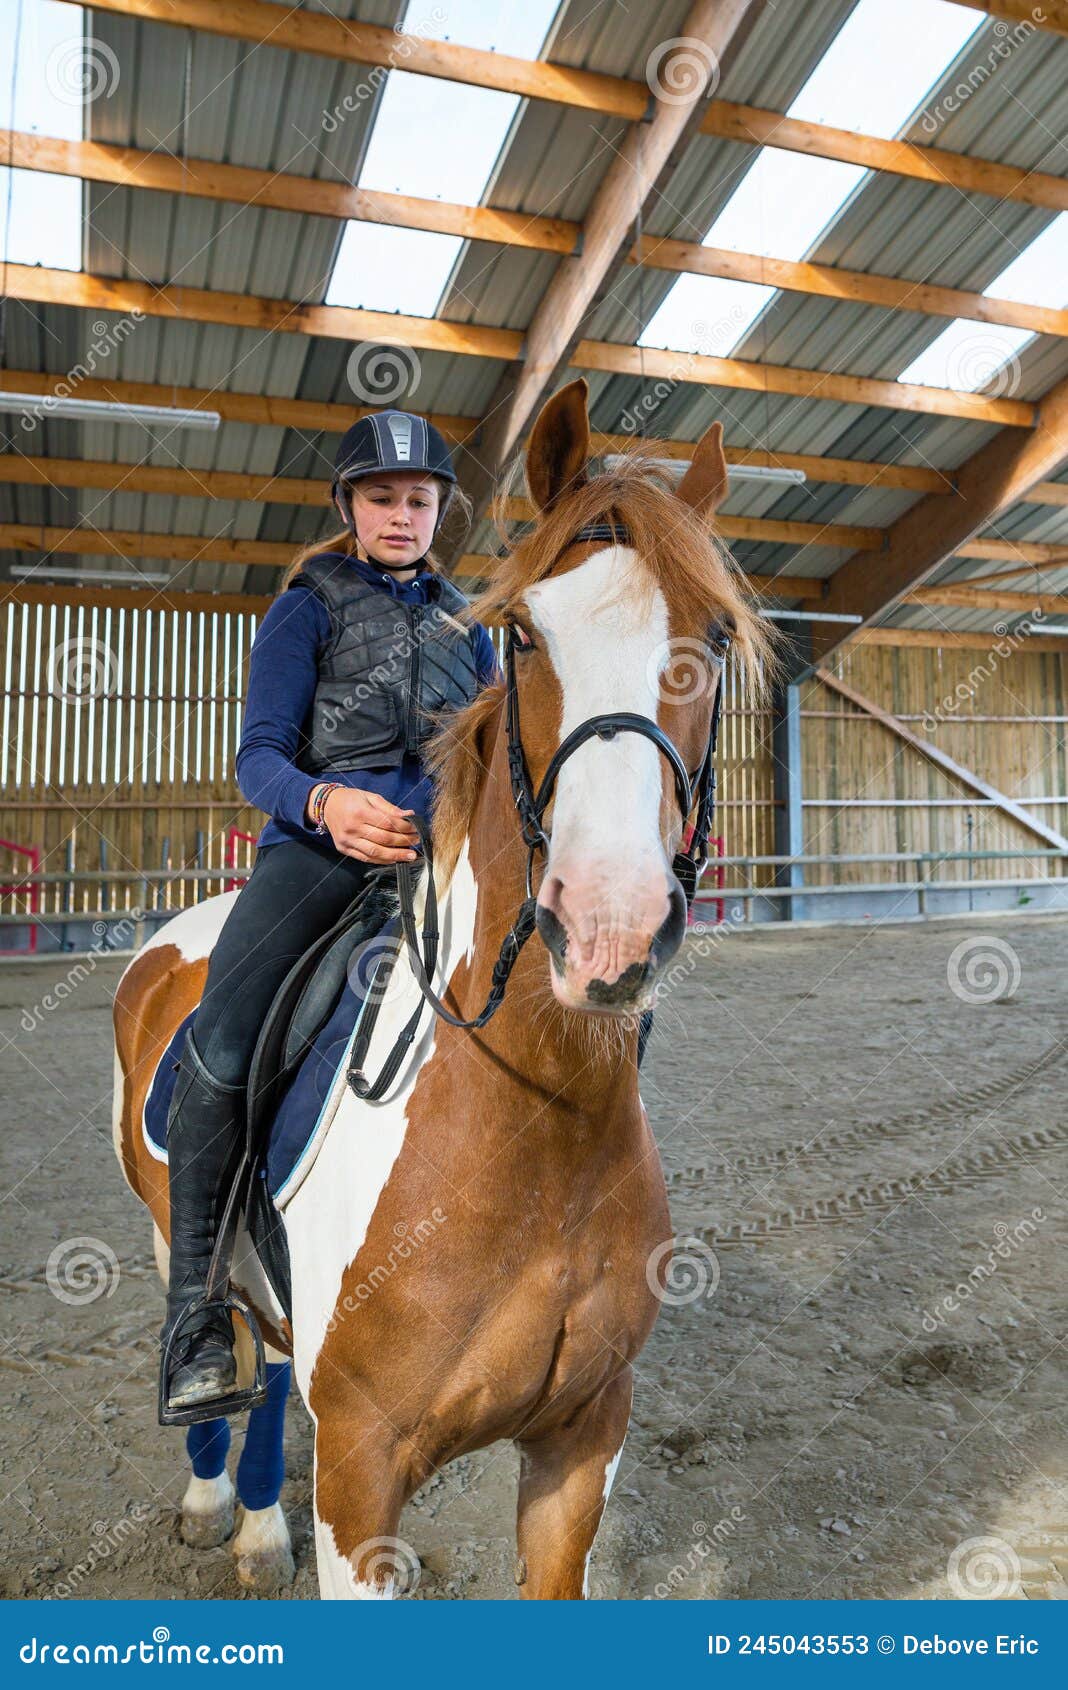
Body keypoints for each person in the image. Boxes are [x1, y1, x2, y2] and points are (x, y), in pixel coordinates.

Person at [158, 409, 500, 1423]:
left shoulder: (468, 623)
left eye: (419, 499)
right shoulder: (305, 608)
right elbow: (256, 757)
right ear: (350, 506)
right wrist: (327, 803)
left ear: (440, 510)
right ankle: (195, 1317)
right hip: (315, 855)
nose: (402, 514)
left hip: (435, 861)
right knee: (220, 1045)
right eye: (383, 497)